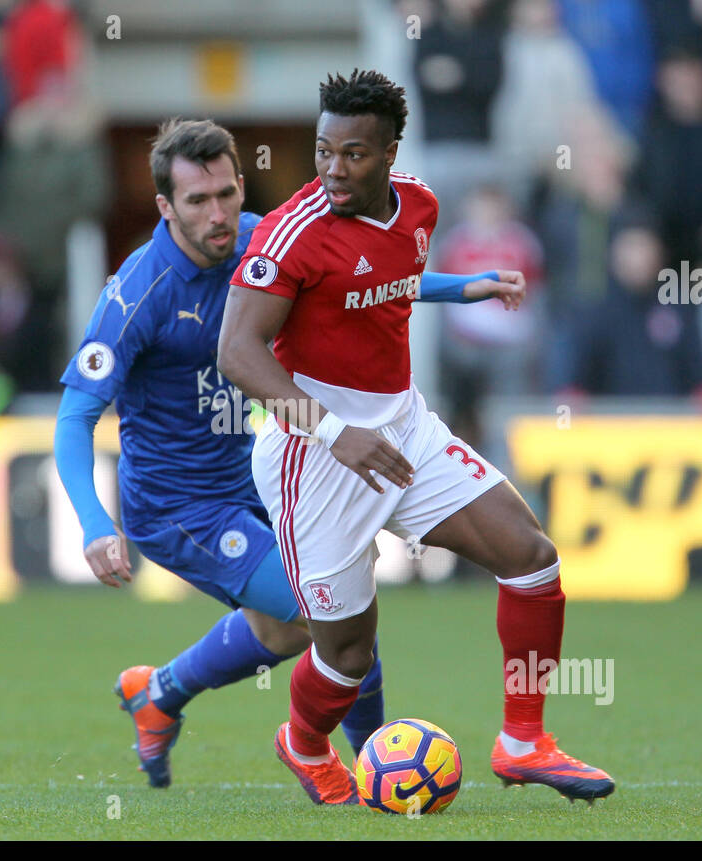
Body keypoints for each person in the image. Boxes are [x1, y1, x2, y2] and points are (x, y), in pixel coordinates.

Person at [55, 117, 499, 788]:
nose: (219, 214)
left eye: (227, 194)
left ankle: (161, 694)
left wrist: (456, 287)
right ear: (164, 208)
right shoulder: (138, 292)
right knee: (321, 611)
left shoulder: (262, 240)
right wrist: (94, 523)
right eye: (198, 202)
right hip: (179, 507)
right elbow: (73, 418)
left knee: (340, 600)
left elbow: (357, 278)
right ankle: (369, 762)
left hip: (255, 480)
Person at [219, 69, 614, 805]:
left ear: (391, 152)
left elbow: (384, 280)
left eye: (354, 155)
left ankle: (523, 741)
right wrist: (336, 431)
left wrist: (460, 286)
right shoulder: (291, 233)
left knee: (531, 559)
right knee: (344, 659)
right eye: (323, 151)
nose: (334, 169)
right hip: (316, 455)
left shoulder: (423, 205)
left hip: (404, 427)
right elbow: (237, 353)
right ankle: (302, 743)